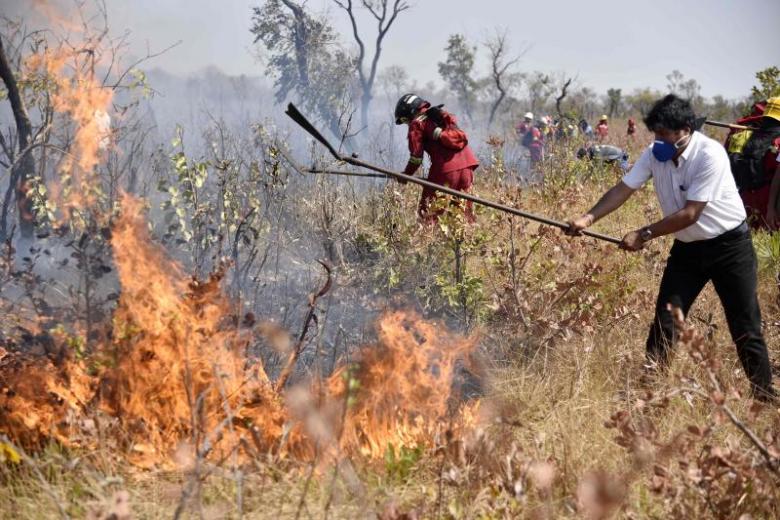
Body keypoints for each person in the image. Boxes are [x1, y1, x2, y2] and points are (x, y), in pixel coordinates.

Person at [566, 94, 775, 401]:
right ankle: (649, 392)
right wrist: (587, 218)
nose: (659, 140)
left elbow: (691, 213)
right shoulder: (654, 153)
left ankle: (764, 395)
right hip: (688, 250)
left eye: (665, 134)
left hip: (730, 248)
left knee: (745, 325)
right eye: (656, 134)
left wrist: (644, 233)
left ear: (686, 129)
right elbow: (624, 189)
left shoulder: (710, 154)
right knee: (665, 321)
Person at [395, 93, 479, 223]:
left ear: (411, 113)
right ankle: (467, 241)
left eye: (405, 120)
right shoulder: (440, 115)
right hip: (467, 167)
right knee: (463, 215)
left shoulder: (417, 124)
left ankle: (427, 242)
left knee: (427, 214)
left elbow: (416, 158)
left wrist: (406, 175)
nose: (407, 124)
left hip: (445, 171)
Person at [727, 96, 780, 229]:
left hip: (743, 198)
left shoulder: (743, 134)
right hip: (767, 202)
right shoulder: (776, 140)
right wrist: (771, 208)